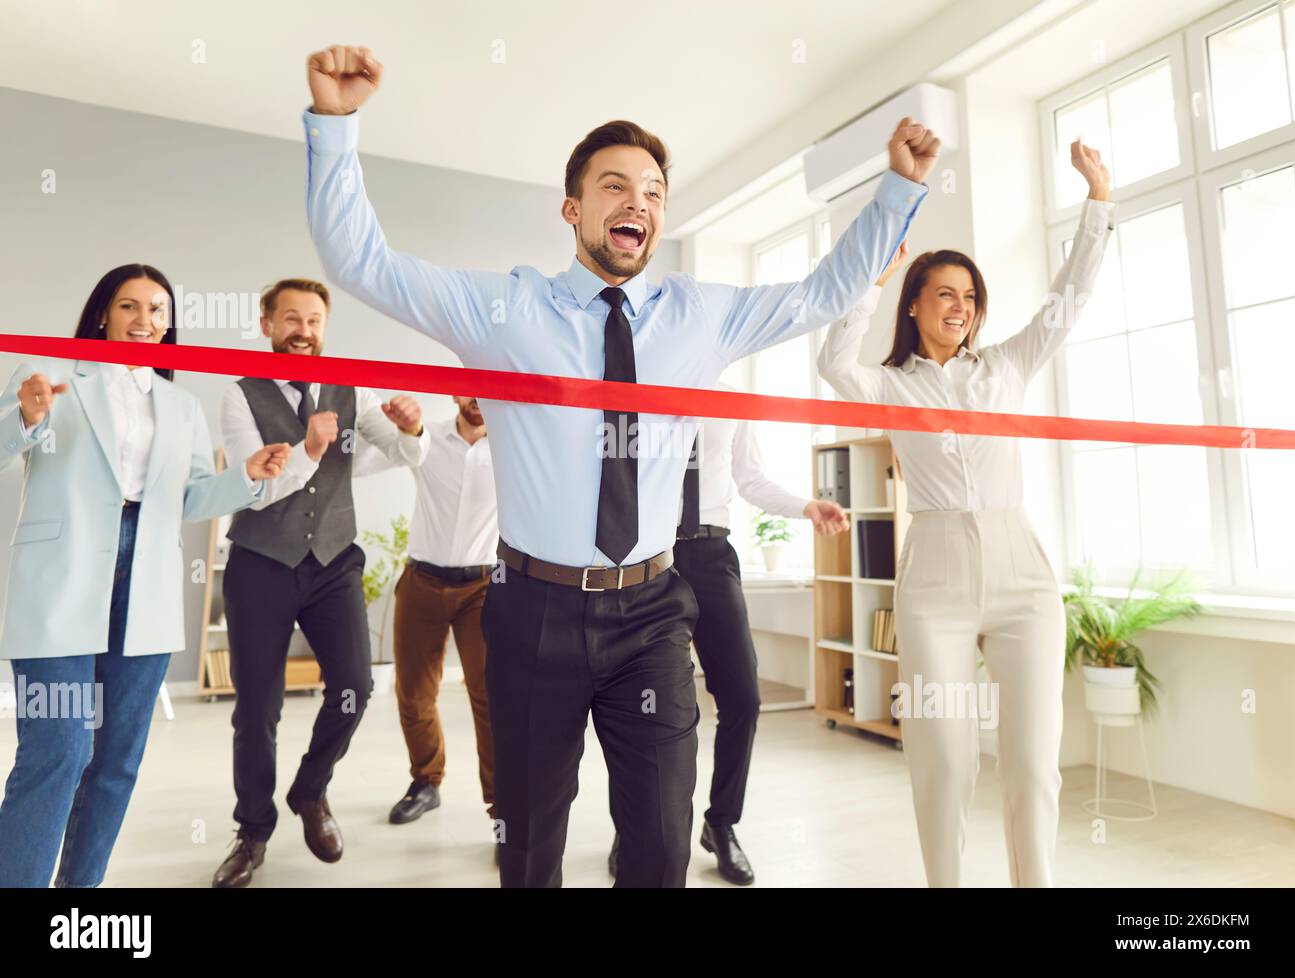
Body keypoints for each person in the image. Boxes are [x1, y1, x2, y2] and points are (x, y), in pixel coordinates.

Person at [301, 43, 935, 887]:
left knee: (660, 850)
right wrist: (337, 126)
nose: (638, 203)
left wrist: (899, 189)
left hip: (651, 616)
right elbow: (362, 264)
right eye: (615, 187)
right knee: (529, 849)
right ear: (572, 209)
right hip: (532, 617)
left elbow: (820, 293)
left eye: (654, 193)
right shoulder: (506, 311)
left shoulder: (700, 316)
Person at [817, 141, 1114, 887]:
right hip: (939, 576)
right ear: (914, 304)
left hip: (1023, 573)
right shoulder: (890, 386)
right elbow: (832, 362)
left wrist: (1098, 202)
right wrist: (867, 282)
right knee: (945, 761)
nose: (960, 307)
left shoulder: (1006, 366)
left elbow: (1067, 303)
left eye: (970, 297)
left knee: (1031, 764)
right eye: (943, 293)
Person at [0, 263, 290, 888]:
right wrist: (24, 419)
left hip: (146, 591)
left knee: (115, 762)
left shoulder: (181, 405)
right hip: (62, 585)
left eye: (157, 310)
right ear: (103, 312)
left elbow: (188, 498)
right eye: (130, 306)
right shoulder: (50, 375)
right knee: (58, 752)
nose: (145, 320)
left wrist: (247, 476)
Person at [211, 277, 429, 888]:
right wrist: (308, 450)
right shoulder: (239, 395)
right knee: (258, 709)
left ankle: (310, 790)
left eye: (313, 320)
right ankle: (251, 832)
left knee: (356, 687)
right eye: (290, 319)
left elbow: (403, 455)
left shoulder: (352, 389)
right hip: (260, 562)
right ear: (267, 324)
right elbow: (256, 486)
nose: (302, 331)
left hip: (334, 560)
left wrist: (413, 428)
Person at [608, 415, 850, 884]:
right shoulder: (653, 385)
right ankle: (634, 828)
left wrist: (807, 507)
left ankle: (721, 823)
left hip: (713, 556)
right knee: (634, 707)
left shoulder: (731, 396)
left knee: (743, 698)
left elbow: (751, 479)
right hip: (650, 554)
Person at [383, 395, 498, 834]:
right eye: (470, 389)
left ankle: (500, 808)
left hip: (484, 588)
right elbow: (408, 446)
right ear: (454, 391)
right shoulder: (426, 436)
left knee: (489, 696)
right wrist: (407, 429)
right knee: (413, 692)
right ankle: (425, 782)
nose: (479, 400)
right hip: (422, 581)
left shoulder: (514, 448)